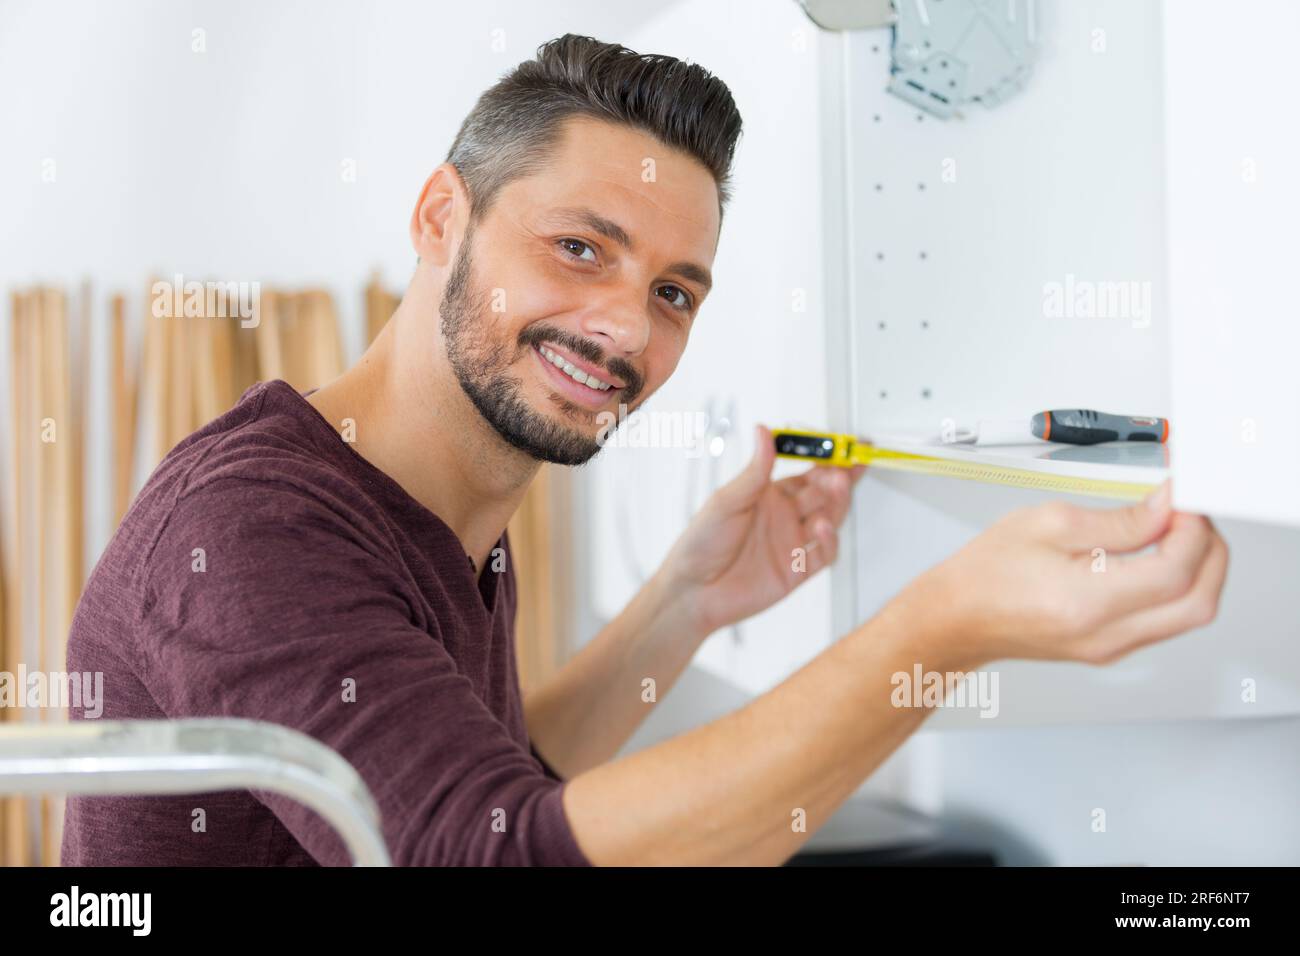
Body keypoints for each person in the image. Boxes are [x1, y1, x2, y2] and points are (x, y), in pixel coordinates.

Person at [62, 34, 1227, 866]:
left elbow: (492, 767)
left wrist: (685, 600)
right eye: (578, 246)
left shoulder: (440, 495)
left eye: (673, 289)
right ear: (437, 216)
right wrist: (939, 624)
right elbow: (480, 850)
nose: (626, 326)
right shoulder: (258, 527)